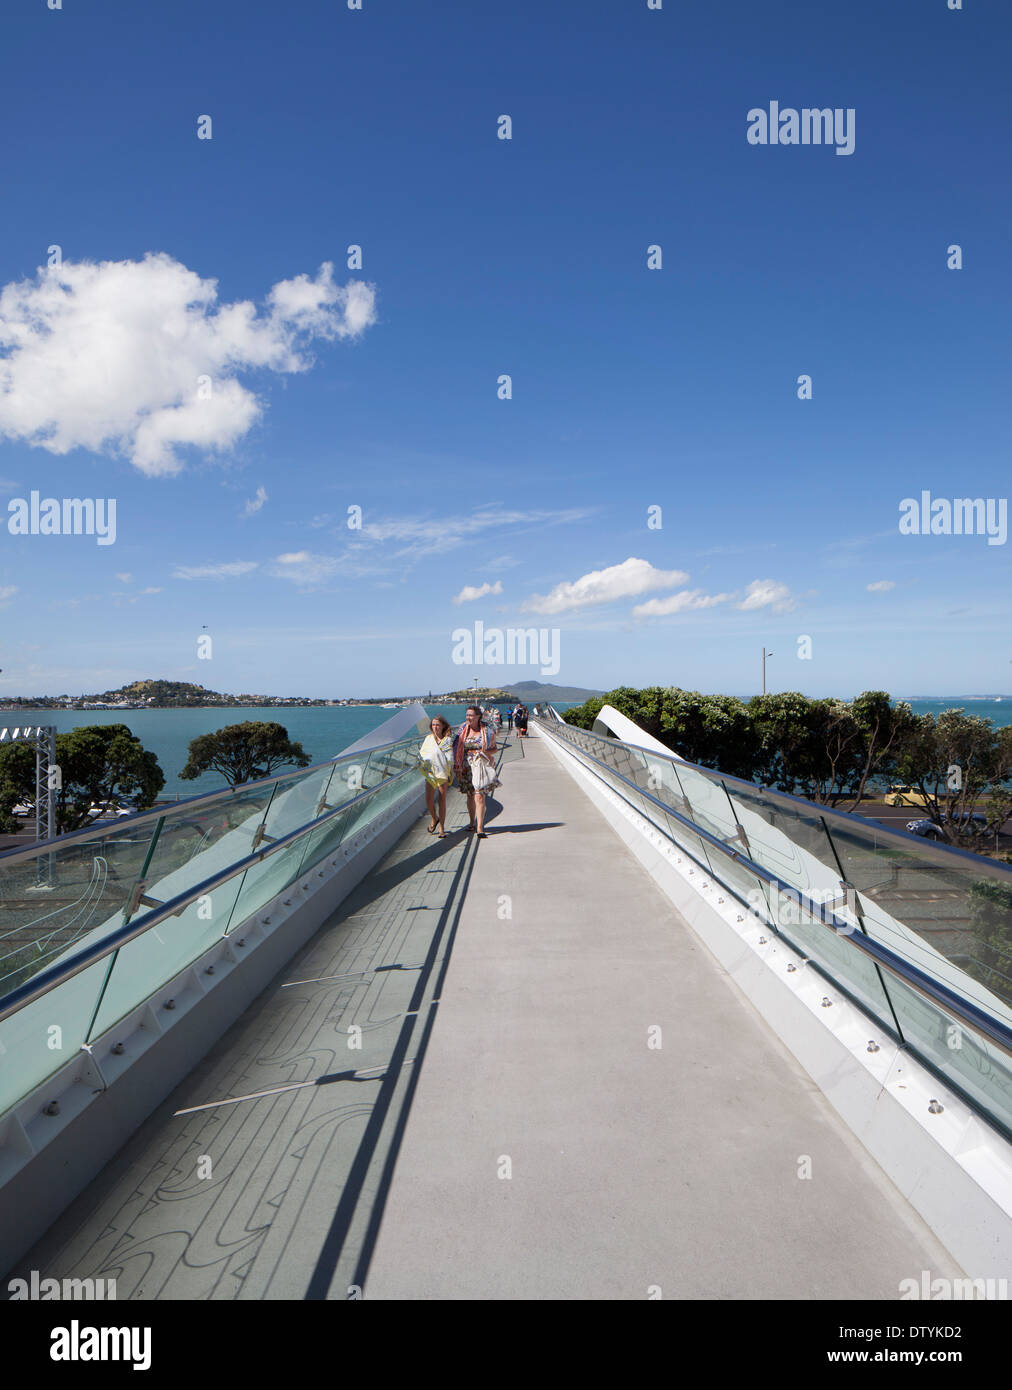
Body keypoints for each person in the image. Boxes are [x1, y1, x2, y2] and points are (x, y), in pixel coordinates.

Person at [453, 704, 498, 838]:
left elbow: (494, 749)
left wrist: (484, 751)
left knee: (479, 795)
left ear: (478, 717)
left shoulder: (488, 731)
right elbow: (455, 748)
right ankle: (472, 822)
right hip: (466, 766)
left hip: (480, 766)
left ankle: (480, 827)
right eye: (467, 715)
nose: (468, 717)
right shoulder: (462, 730)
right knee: (470, 795)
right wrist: (457, 765)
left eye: (471, 715)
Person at [419, 716, 454, 838]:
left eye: (438, 724)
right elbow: (423, 753)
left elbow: (450, 758)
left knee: (441, 800)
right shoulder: (428, 739)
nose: (435, 727)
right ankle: (435, 818)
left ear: (443, 726)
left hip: (443, 773)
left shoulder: (447, 740)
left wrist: (451, 772)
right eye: (433, 725)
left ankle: (442, 828)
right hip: (430, 773)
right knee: (428, 800)